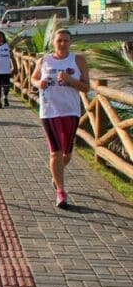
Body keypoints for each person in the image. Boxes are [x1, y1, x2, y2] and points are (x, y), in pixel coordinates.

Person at [31, 29, 90, 209]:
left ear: (70, 43)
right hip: (49, 111)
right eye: (59, 41)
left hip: (70, 111)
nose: (62, 44)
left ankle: (56, 175)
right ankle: (61, 192)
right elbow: (33, 78)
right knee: (55, 152)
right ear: (53, 42)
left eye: (66, 41)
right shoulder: (45, 60)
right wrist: (38, 83)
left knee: (66, 154)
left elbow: (86, 88)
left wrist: (70, 80)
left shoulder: (78, 60)